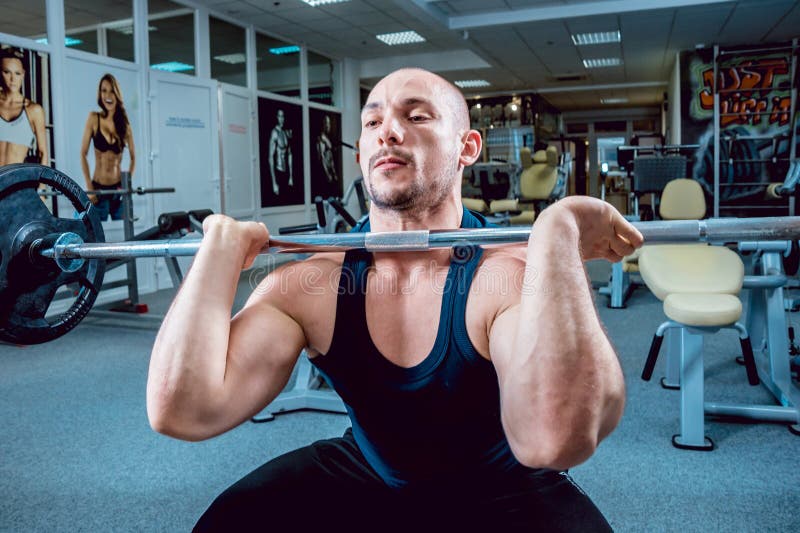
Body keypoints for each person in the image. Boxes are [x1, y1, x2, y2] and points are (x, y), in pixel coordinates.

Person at [147, 67, 643, 531]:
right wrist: (216, 255)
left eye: (416, 115)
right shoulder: (313, 283)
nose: (388, 130)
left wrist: (557, 235)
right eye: (373, 120)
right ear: (362, 150)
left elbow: (554, 439)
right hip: (373, 469)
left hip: (505, 487)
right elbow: (182, 410)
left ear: (467, 147)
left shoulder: (505, 273)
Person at [79, 73, 135, 221]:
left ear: (117, 94)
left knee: (125, 236)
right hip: (99, 191)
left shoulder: (124, 125)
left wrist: (126, 186)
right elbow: (83, 154)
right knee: (97, 237)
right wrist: (89, 188)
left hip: (118, 191)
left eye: (111, 91)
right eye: (104, 90)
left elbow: (134, 157)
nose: (107, 95)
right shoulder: (94, 118)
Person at [0, 47, 48, 167]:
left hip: (16, 182)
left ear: (23, 75)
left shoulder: (33, 110)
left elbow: (43, 153)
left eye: (17, 73)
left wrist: (41, 186)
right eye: (7, 72)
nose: (12, 79)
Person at [268, 108, 293, 195]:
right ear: (276, 117)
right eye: (279, 116)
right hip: (278, 171)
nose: (281, 118)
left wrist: (291, 176)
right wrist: (274, 182)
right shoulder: (274, 133)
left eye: (283, 116)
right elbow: (270, 157)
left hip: (286, 172)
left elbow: (290, 154)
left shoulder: (286, 133)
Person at [316, 114, 338, 184]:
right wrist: (327, 174)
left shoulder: (328, 138)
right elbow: (322, 158)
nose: (328, 126)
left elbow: (330, 157)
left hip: (331, 170)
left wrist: (334, 172)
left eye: (329, 123)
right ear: (323, 125)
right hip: (326, 173)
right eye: (326, 123)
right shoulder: (322, 139)